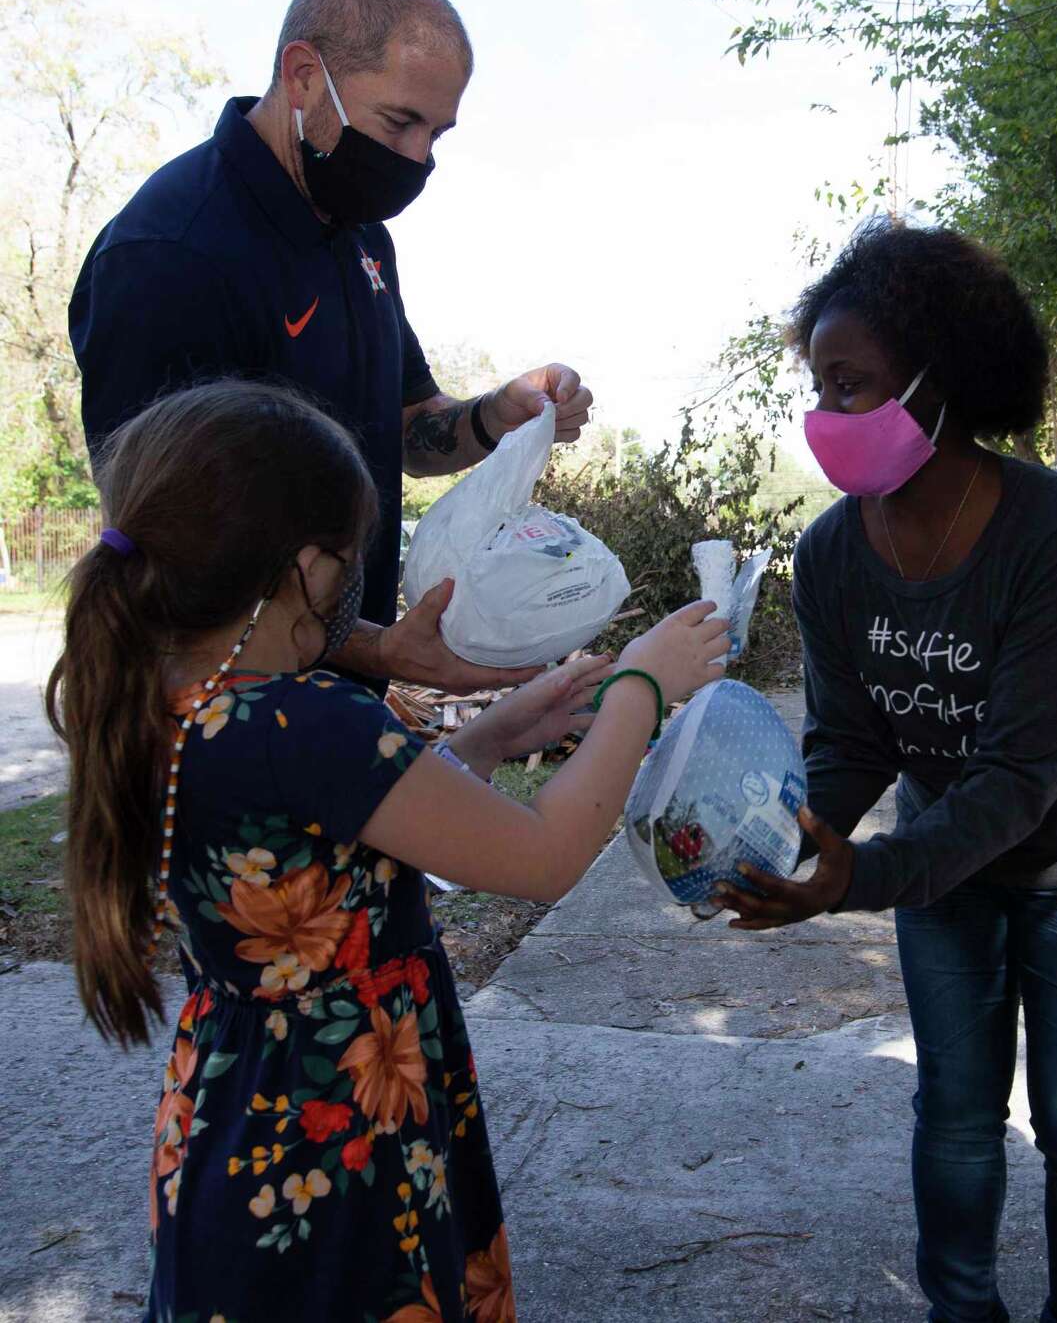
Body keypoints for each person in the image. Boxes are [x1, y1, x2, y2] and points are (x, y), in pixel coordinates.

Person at [46, 378, 728, 1322]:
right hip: (344, 1137)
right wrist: (642, 687)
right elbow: (541, 855)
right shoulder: (306, 719)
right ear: (311, 570)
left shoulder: (172, 707)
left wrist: (487, 741)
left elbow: (335, 843)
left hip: (238, 1115)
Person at [715, 219, 1057, 1323]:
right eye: (819, 386)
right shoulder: (830, 555)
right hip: (950, 859)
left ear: (941, 383)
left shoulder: (1051, 534)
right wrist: (784, 837)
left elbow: (1022, 772)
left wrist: (858, 878)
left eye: (854, 384)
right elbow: (852, 739)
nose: (829, 414)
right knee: (957, 1110)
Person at [69, 0, 593, 694]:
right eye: (401, 121)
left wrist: (497, 415)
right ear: (304, 76)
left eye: (438, 134)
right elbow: (175, 554)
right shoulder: (172, 255)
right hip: (219, 726)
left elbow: (407, 428)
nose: (419, 159)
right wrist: (378, 648)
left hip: (334, 709)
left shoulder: (360, 237)